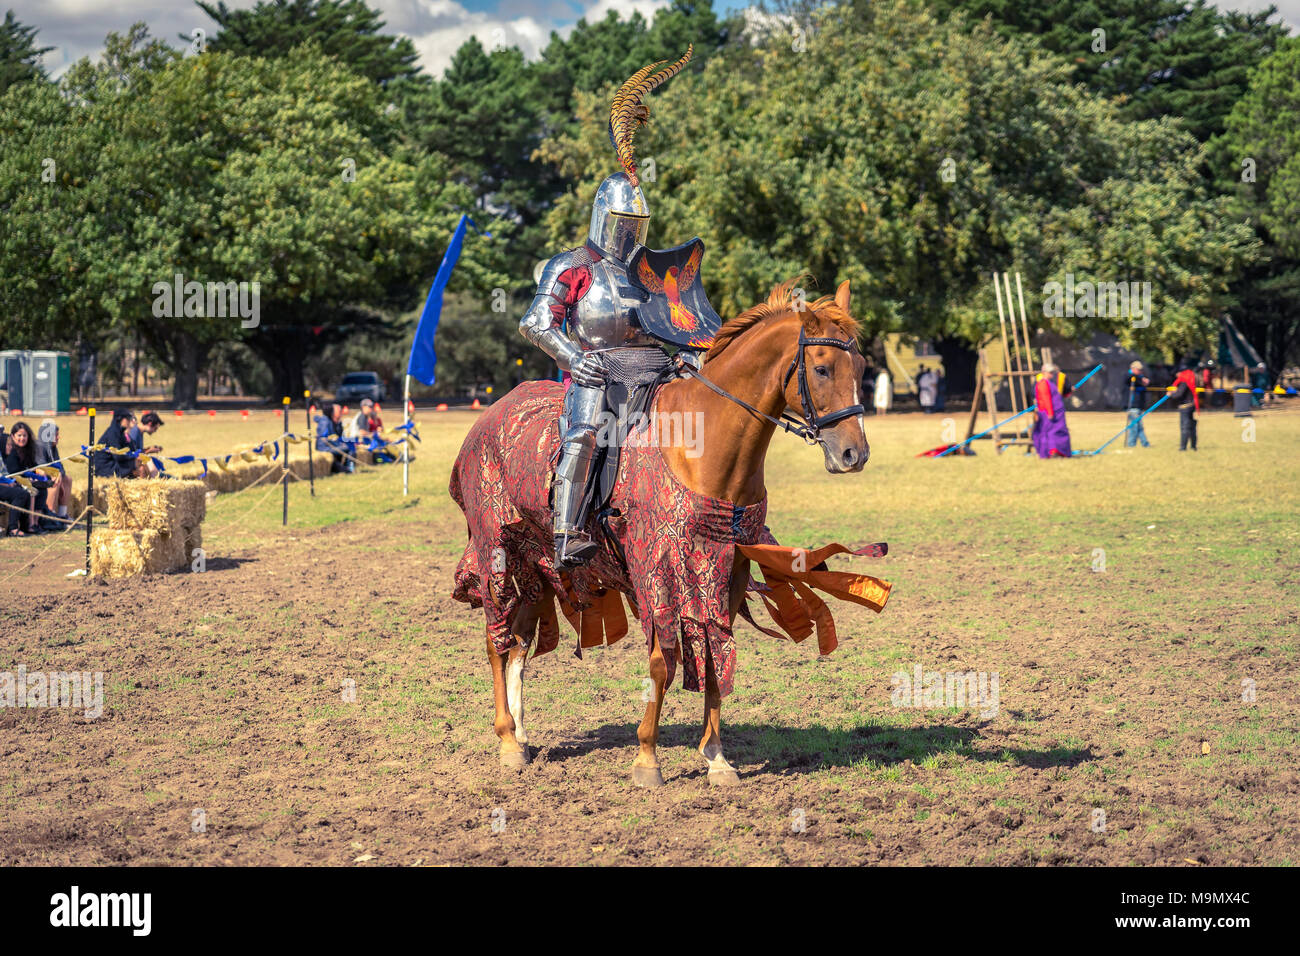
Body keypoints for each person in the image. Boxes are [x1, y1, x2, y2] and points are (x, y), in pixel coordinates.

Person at [2, 421, 53, 532]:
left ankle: (35, 522)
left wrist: (41, 474)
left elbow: (32, 467)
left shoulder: (28, 450)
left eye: (24, 435)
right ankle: (28, 524)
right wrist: (28, 478)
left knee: (43, 489)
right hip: (14, 481)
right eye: (19, 435)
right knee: (31, 489)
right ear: (13, 436)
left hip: (22, 480)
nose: (22, 438)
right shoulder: (10, 451)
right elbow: (14, 471)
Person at [35, 419, 72, 526]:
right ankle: (49, 516)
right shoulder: (39, 447)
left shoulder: (52, 448)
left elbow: (61, 469)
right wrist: (56, 475)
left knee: (67, 479)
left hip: (48, 477)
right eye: (56, 435)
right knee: (54, 479)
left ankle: (62, 515)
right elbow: (41, 468)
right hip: (35, 479)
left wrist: (59, 476)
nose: (58, 437)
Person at [1032, 363, 1073, 458]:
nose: (1052, 375)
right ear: (1044, 372)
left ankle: (1060, 451)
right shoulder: (1043, 383)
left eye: (1052, 372)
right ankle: (1050, 451)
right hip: (1049, 413)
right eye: (1050, 373)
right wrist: (1050, 412)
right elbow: (1046, 399)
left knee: (1060, 432)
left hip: (1057, 412)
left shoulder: (1050, 383)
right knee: (1049, 433)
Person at [92, 409, 140, 478]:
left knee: (140, 463)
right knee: (139, 466)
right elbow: (118, 456)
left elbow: (130, 449)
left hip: (114, 464)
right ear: (120, 419)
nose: (129, 421)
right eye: (128, 419)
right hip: (106, 468)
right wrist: (134, 456)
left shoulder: (120, 432)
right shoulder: (113, 433)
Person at [314, 401, 355, 474]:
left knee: (351, 445)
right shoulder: (325, 422)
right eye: (339, 411)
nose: (342, 412)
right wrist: (341, 445)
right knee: (350, 447)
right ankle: (349, 469)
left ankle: (346, 468)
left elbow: (341, 437)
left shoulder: (337, 423)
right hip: (325, 448)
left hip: (334, 446)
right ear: (332, 413)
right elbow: (325, 440)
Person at [1171, 358, 1199, 451]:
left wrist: (1171, 394)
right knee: (1192, 427)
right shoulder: (1191, 378)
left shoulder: (1184, 380)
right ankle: (1193, 446)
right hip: (1191, 405)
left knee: (1185, 427)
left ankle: (1183, 447)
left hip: (1185, 407)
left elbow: (1179, 394)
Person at [1125, 361, 1151, 448]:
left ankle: (1145, 444)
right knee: (1134, 427)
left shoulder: (1138, 377)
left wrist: (1143, 379)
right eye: (1139, 370)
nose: (1141, 371)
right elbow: (1129, 378)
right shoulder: (1129, 376)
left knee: (1139, 426)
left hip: (1138, 406)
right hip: (1132, 406)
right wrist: (1142, 379)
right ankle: (1131, 444)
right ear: (1133, 369)